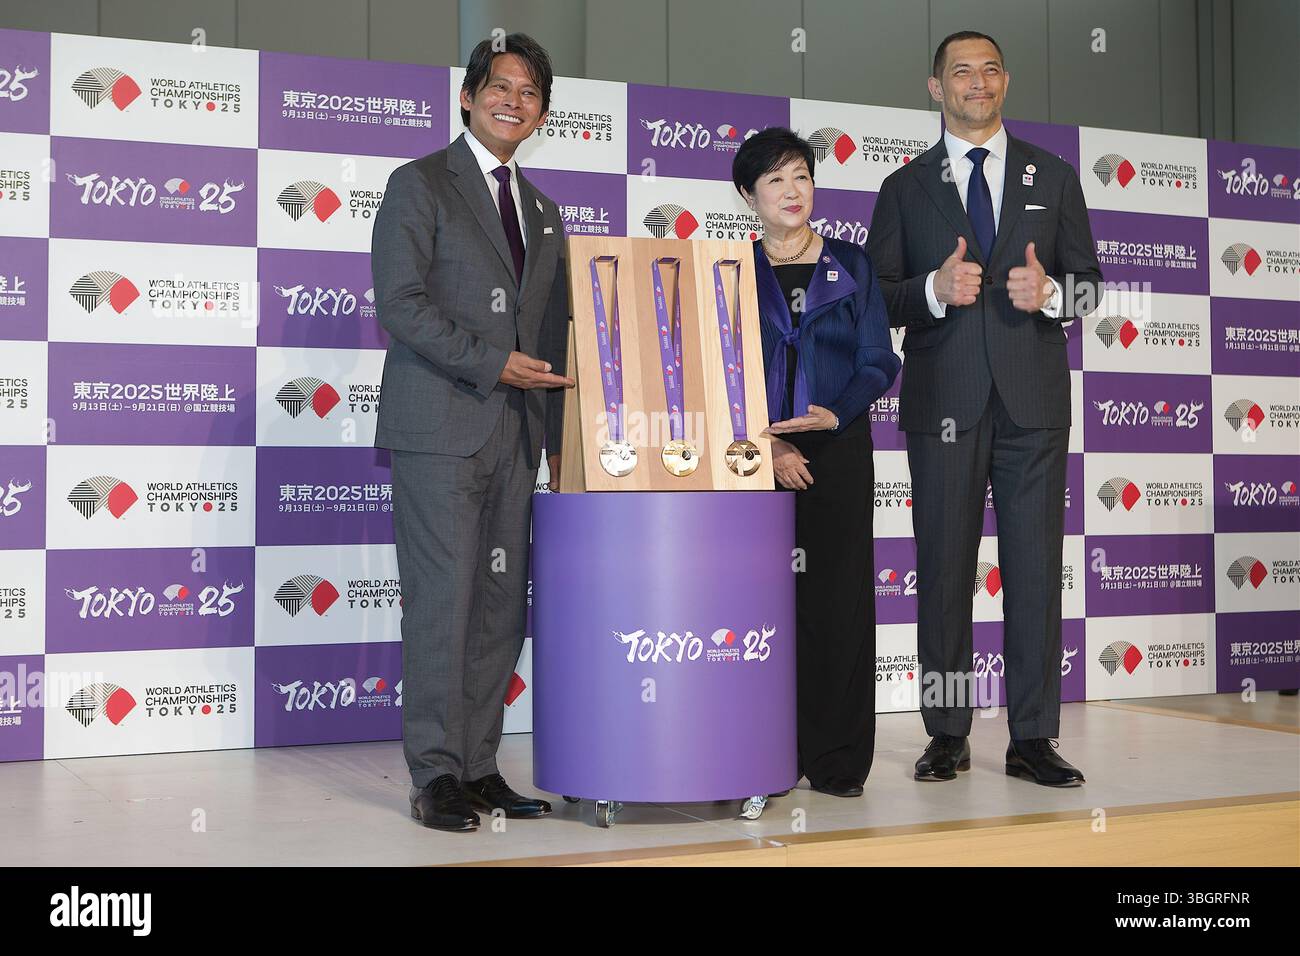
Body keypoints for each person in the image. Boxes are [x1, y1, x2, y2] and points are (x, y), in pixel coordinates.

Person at [867, 31, 1102, 787]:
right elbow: (878, 297)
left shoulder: (1055, 174)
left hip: (1033, 406)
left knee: (1035, 573)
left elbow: (1093, 284)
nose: (978, 82)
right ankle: (947, 733)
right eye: (961, 72)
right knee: (942, 573)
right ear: (935, 88)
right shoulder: (904, 187)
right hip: (944, 403)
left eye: (990, 70)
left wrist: (1055, 296)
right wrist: (934, 292)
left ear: (1006, 82)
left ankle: (1034, 738)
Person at [371, 33, 574, 832]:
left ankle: (482, 765)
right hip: (440, 429)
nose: (513, 100)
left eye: (529, 93)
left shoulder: (547, 213)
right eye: (500, 86)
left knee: (498, 610)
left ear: (542, 114)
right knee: (442, 604)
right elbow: (402, 304)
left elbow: (555, 334)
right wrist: (496, 365)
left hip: (519, 436)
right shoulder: (419, 184)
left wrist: (562, 434)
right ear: (467, 97)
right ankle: (435, 776)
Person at [732, 128, 900, 815]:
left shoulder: (853, 264)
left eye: (800, 175)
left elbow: (878, 360)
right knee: (761, 610)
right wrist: (768, 446)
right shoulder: (734, 268)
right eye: (775, 180)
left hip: (839, 450)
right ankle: (766, 752)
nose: (791, 190)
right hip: (754, 456)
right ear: (749, 197)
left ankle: (836, 758)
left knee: (839, 605)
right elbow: (722, 366)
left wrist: (835, 416)